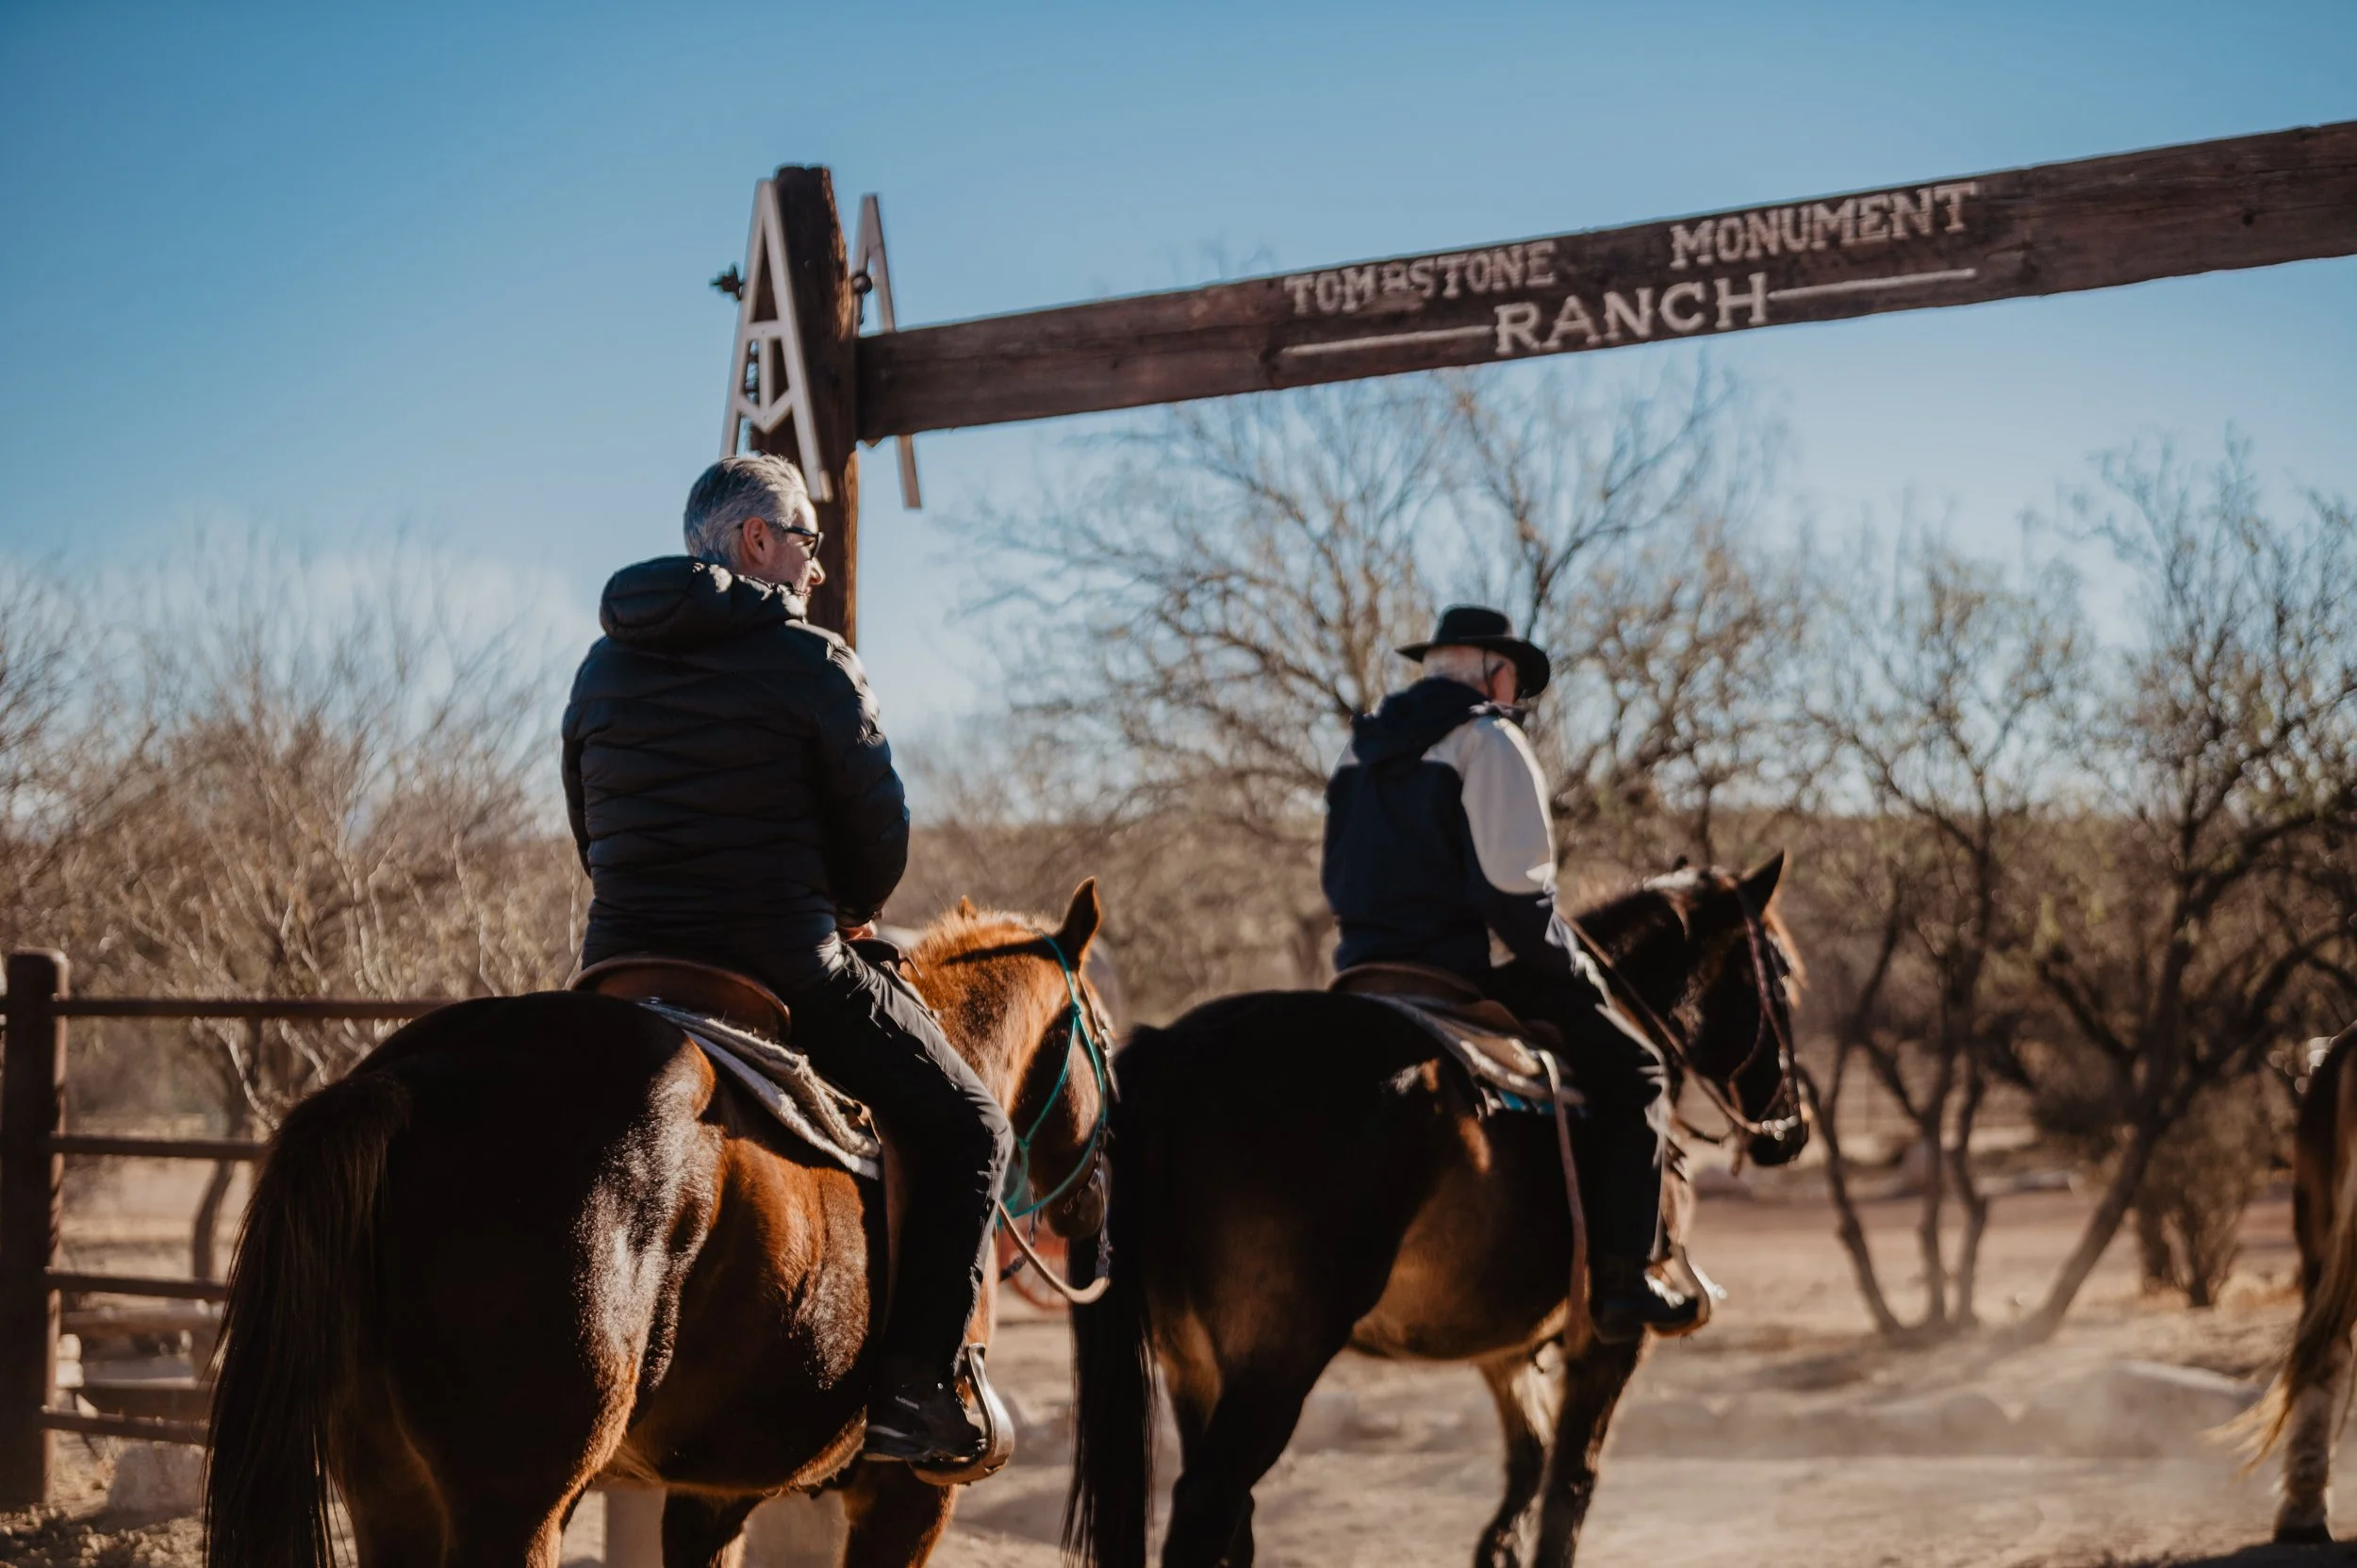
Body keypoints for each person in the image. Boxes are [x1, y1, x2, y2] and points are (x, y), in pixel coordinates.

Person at [561, 454, 1013, 1466]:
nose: (815, 564)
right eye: (806, 538)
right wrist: (846, 910)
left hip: (619, 969)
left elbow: (588, 827)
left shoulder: (601, 666)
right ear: (758, 542)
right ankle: (910, 1393)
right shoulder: (810, 659)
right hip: (783, 963)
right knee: (973, 1125)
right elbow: (879, 841)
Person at [1320, 604, 1698, 1344]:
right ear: (1495, 669)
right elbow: (1514, 897)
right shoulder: (1489, 739)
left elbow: (1338, 876)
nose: (1516, 694)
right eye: (1516, 680)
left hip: (1364, 969)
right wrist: (1578, 967)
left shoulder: (1356, 750)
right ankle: (1625, 1279)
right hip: (1465, 971)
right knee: (1641, 1070)